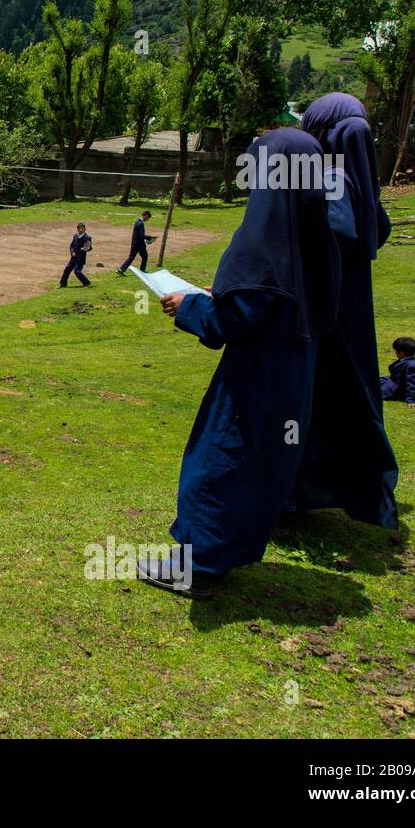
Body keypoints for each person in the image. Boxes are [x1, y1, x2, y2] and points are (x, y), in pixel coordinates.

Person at [137, 128, 341, 599]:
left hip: (256, 377)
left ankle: (197, 565)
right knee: (262, 465)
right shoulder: (313, 234)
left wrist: (190, 306)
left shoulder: (263, 239)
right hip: (294, 370)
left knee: (218, 459)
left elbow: (236, 319)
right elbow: (275, 299)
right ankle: (223, 554)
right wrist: (221, 295)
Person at [291, 92, 399, 530]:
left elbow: (326, 244)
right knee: (348, 394)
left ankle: (297, 493)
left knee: (312, 397)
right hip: (352, 309)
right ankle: (350, 488)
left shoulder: (333, 179)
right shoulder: (363, 182)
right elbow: (378, 230)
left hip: (322, 311)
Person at [380, 336, 415, 409]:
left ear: (401, 353)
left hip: (394, 390)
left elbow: (411, 383)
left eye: (396, 351)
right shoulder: (406, 361)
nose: (395, 353)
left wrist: (411, 401)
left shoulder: (412, 366)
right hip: (392, 383)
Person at [116, 211, 152, 275]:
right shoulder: (141, 224)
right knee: (145, 256)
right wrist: (149, 237)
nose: (147, 220)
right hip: (140, 245)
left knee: (131, 257)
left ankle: (121, 269)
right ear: (145, 216)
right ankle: (142, 270)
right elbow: (141, 236)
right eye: (148, 218)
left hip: (134, 243)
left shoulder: (137, 222)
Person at [60, 223, 92, 287]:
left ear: (85, 229)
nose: (81, 230)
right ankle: (63, 284)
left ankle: (86, 282)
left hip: (80, 258)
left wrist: (83, 250)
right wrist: (72, 253)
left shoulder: (87, 237)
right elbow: (71, 246)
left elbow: (89, 248)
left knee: (77, 271)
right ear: (77, 229)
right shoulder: (75, 236)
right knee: (67, 270)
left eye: (82, 228)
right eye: (79, 228)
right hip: (73, 257)